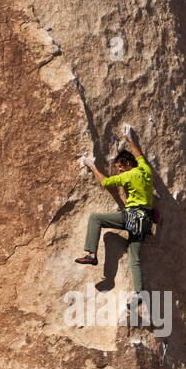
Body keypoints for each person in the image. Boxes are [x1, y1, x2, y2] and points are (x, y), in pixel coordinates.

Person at [76, 125, 154, 294]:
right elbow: (138, 155)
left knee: (96, 218)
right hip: (145, 221)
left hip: (133, 216)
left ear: (127, 164)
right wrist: (130, 139)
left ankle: (91, 255)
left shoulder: (128, 175)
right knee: (134, 259)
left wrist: (92, 166)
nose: (118, 170)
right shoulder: (146, 171)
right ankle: (139, 293)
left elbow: (105, 182)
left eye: (120, 166)